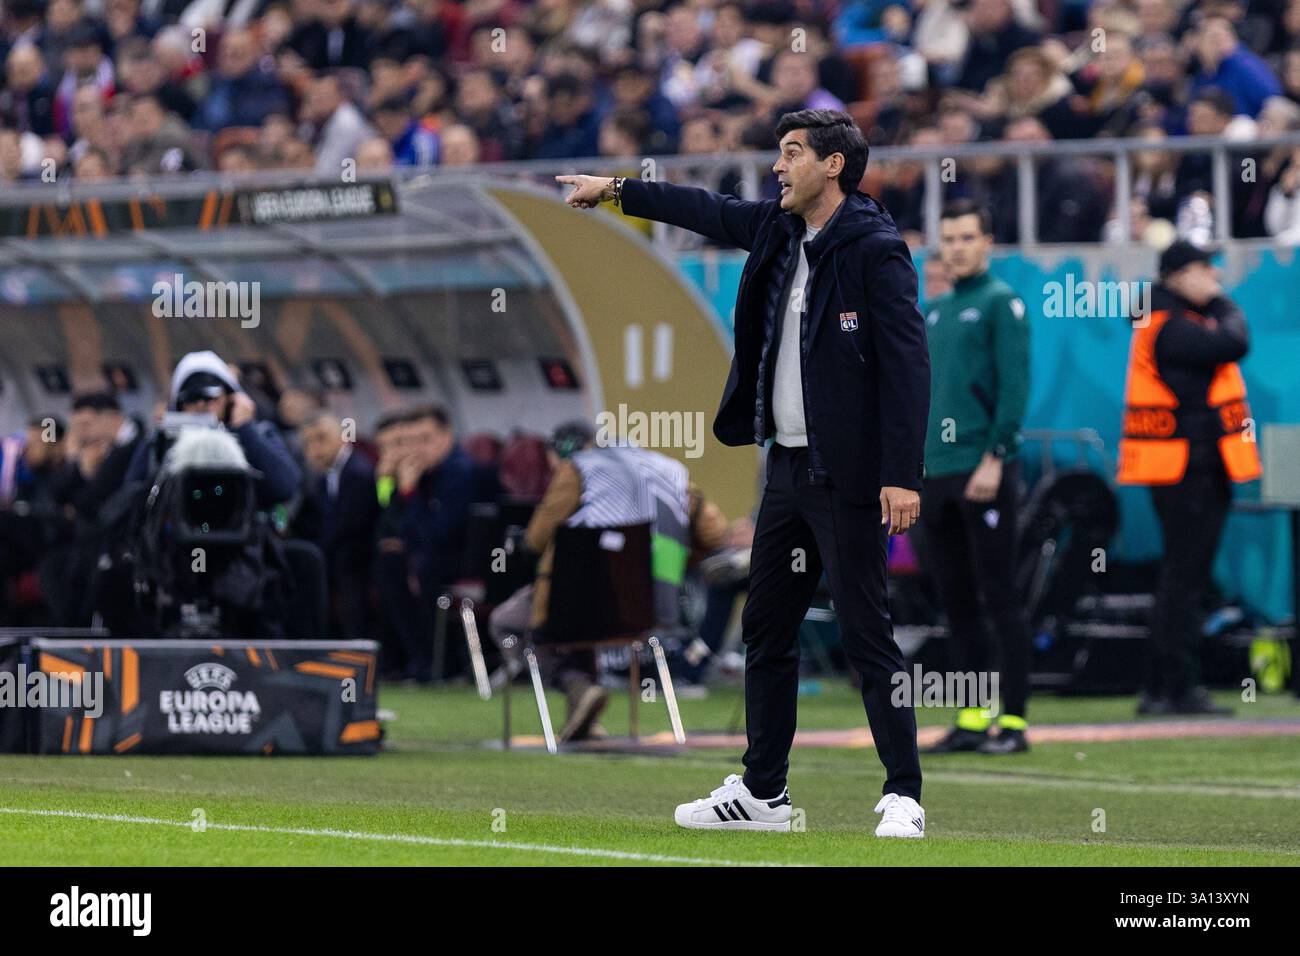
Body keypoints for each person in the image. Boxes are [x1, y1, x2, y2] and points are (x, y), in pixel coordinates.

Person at [557, 107, 931, 838]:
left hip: (850, 475)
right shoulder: (778, 231)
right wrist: (615, 190)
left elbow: (909, 366)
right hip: (788, 469)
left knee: (866, 634)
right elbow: (704, 208)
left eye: (792, 153)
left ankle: (903, 794)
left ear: (833, 166)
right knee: (764, 629)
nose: (777, 166)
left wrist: (902, 474)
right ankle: (764, 793)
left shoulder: (876, 250)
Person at [488, 421, 727, 743]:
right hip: (650, 608)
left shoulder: (579, 468)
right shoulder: (672, 469)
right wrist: (667, 568)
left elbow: (536, 538)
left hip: (582, 602)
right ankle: (585, 716)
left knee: (507, 622)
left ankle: (576, 685)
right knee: (584, 626)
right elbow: (712, 534)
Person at [1117, 240, 1260, 716]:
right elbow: (1235, 340)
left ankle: (1162, 687)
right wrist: (1220, 303)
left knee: (1181, 577)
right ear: (1177, 276)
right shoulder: (1173, 326)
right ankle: (1176, 686)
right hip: (1188, 469)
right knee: (1184, 579)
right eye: (1204, 267)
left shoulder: (1164, 319)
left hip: (1185, 466)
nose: (1214, 276)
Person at [919, 200, 1033, 755]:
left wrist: (997, 457)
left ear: (988, 242)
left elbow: (1014, 388)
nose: (957, 247)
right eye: (949, 238)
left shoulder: (1000, 304)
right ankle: (970, 718)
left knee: (999, 596)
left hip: (981, 469)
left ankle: (1012, 722)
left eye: (967, 237)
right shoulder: (936, 311)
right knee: (956, 601)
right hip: (935, 473)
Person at [297, 412, 378, 642]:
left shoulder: (357, 471)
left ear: (343, 437)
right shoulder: (324, 476)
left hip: (361, 552)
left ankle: (354, 643)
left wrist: (318, 548)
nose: (315, 449)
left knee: (341, 563)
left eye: (321, 439)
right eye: (308, 443)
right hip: (340, 549)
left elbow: (350, 525)